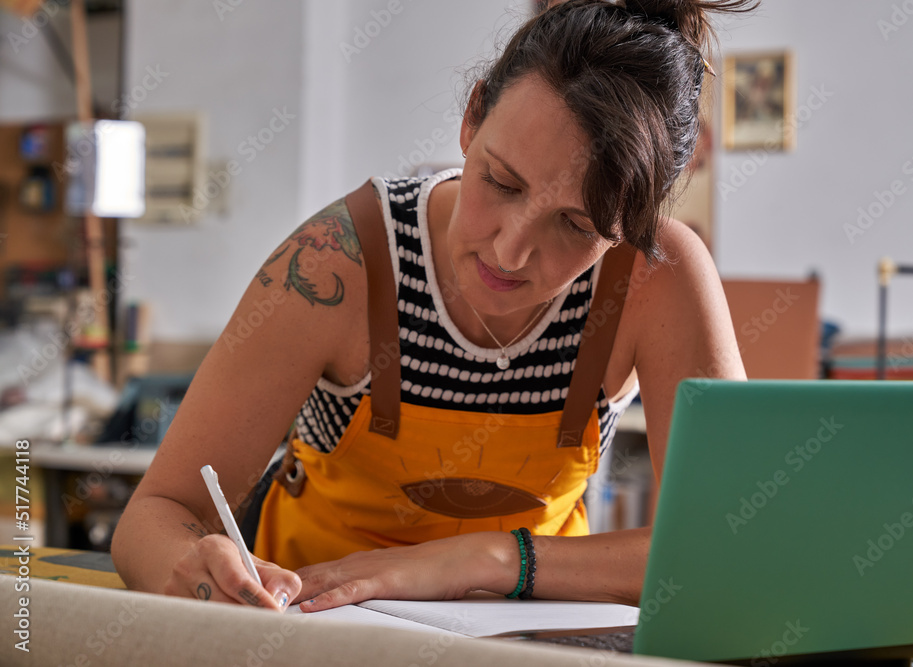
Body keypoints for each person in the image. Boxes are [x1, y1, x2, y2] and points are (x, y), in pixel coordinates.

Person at [111, 0, 752, 614]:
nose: (510, 250)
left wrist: (488, 559)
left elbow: (735, 548)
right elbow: (154, 515)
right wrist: (193, 569)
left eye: (577, 225)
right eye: (501, 182)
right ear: (472, 117)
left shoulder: (656, 275)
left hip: (519, 642)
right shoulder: (340, 263)